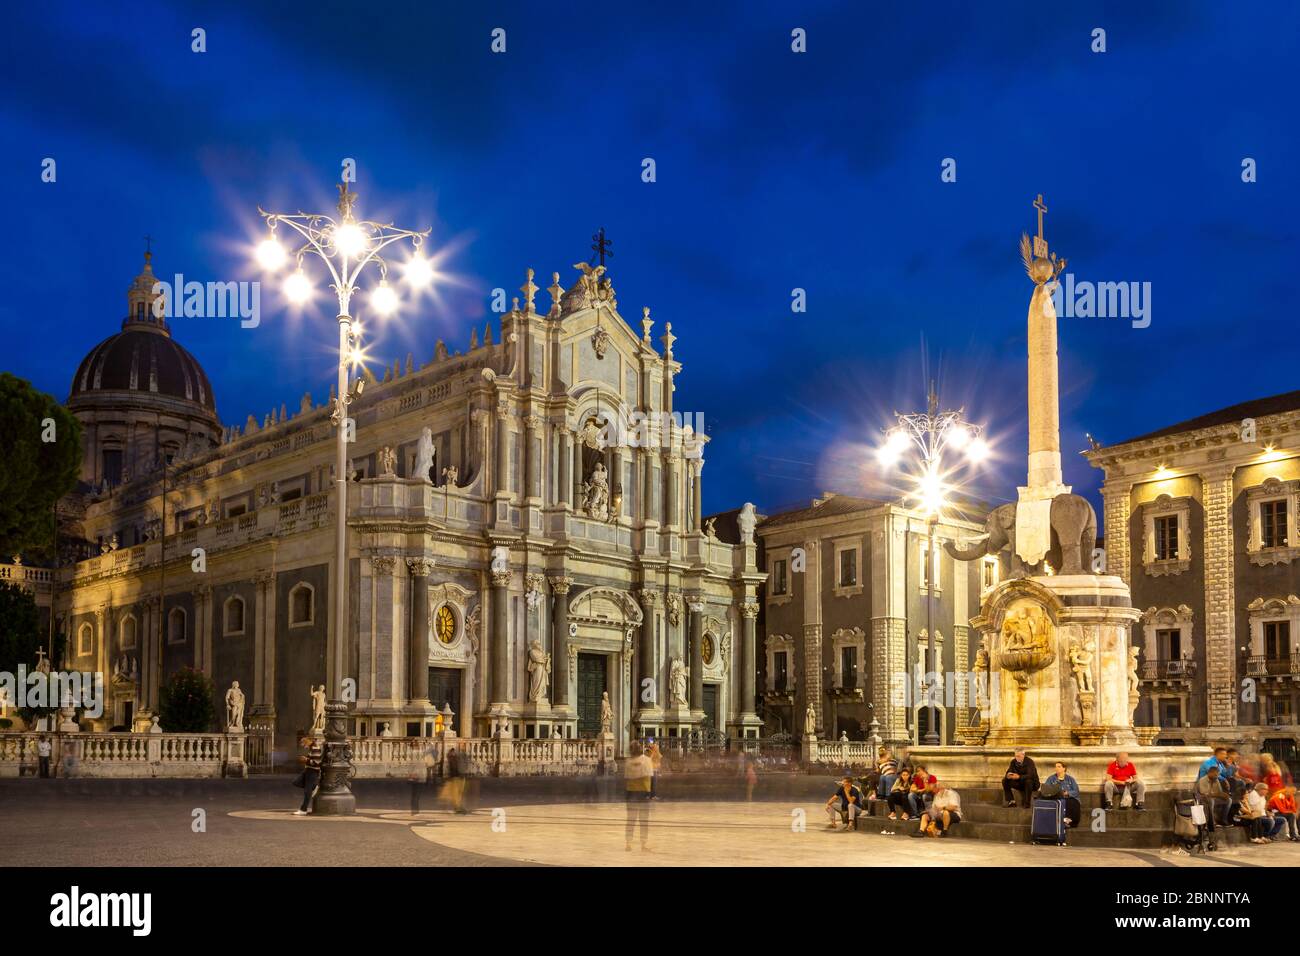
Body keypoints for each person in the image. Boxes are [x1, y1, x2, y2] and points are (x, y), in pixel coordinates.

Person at [624, 740, 654, 851]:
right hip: (643, 794)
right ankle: (643, 844)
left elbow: (626, 779)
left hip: (631, 793)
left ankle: (628, 843)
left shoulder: (628, 762)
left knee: (631, 820)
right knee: (643, 821)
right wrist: (651, 794)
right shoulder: (646, 760)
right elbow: (650, 778)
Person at [1195, 764, 1231, 849]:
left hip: (1212, 799)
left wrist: (1225, 793)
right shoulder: (1202, 780)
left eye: (1218, 774)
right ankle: (1212, 822)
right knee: (1210, 801)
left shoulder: (1216, 780)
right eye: (1215, 774)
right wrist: (1217, 794)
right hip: (1202, 801)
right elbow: (1204, 793)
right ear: (1210, 773)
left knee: (1229, 800)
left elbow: (1219, 792)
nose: (1217, 776)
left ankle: (1222, 819)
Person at [1040, 761, 1081, 828]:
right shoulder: (1051, 779)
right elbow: (1046, 789)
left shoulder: (1070, 779)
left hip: (1069, 797)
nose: (1056, 768)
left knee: (1073, 802)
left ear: (1064, 768)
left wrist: (1068, 793)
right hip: (1056, 797)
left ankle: (1070, 821)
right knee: (1062, 802)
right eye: (1055, 767)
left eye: (1059, 766)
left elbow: (1076, 791)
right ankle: (1063, 821)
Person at [293, 737, 323, 815]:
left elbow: (317, 762)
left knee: (307, 791)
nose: (303, 745)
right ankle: (314, 786)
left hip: (312, 771)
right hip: (308, 770)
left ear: (308, 741)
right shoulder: (311, 748)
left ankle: (303, 809)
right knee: (296, 782)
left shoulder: (315, 748)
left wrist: (306, 760)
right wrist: (306, 759)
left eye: (303, 743)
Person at [444, 745, 467, 813]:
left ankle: (458, 807)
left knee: (459, 793)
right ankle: (457, 807)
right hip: (456, 777)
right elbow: (455, 768)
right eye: (453, 752)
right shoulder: (452, 758)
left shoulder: (454, 758)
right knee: (456, 793)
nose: (454, 753)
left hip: (458, 777)